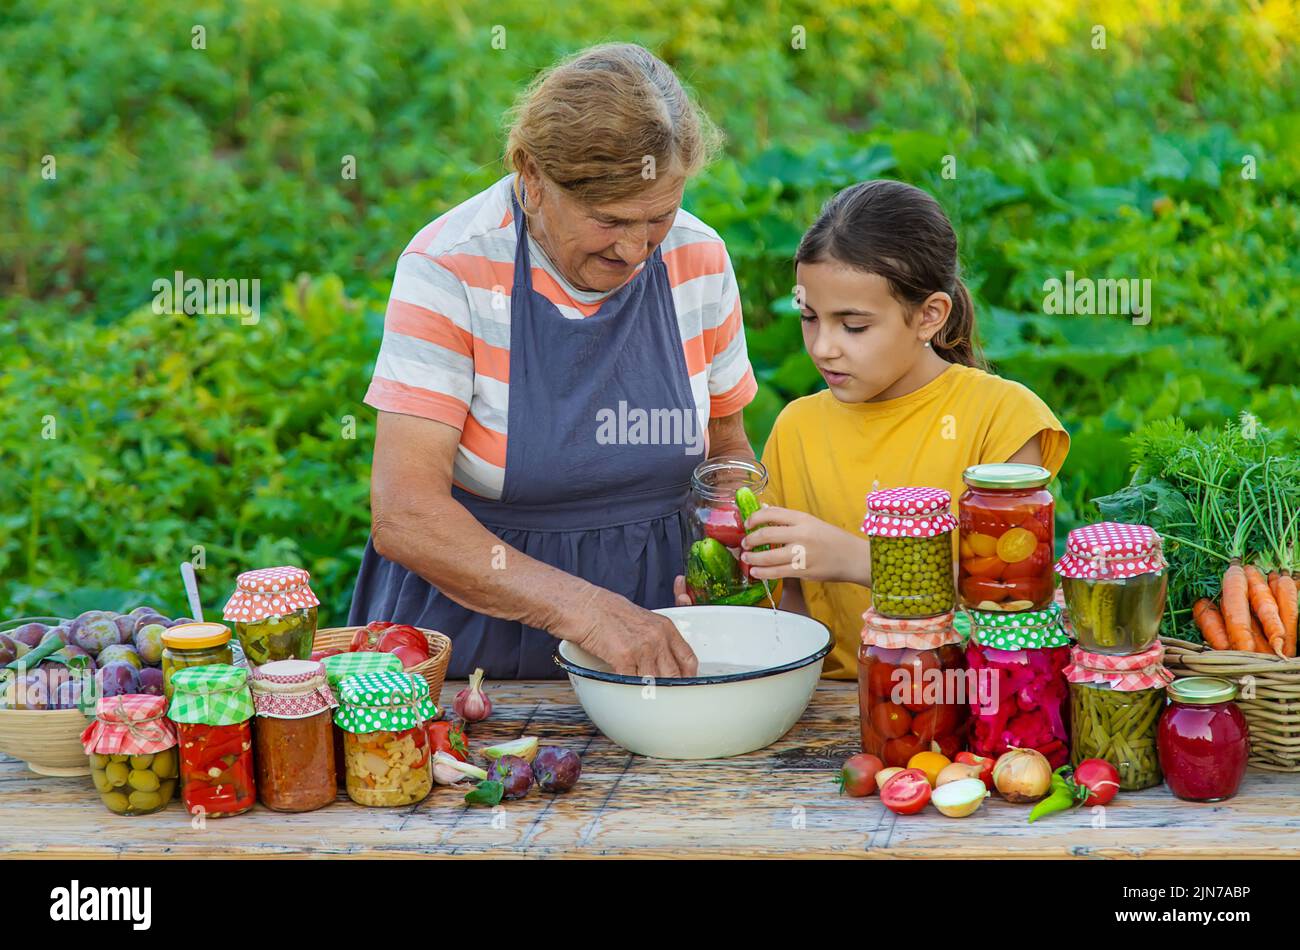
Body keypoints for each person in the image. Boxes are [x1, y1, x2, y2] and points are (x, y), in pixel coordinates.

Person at [348, 43, 759, 679]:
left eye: (658, 217)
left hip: (664, 634)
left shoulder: (697, 255)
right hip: (482, 640)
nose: (635, 250)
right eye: (609, 220)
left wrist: (735, 561)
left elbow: (726, 450)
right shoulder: (450, 268)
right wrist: (589, 612)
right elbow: (405, 514)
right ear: (532, 178)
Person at [688, 179, 1070, 679]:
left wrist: (858, 559)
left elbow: (1012, 598)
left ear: (929, 315)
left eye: (853, 326)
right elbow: (793, 609)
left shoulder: (1002, 417)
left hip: (970, 695)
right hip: (832, 705)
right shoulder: (798, 427)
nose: (823, 346)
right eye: (809, 317)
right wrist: (728, 608)